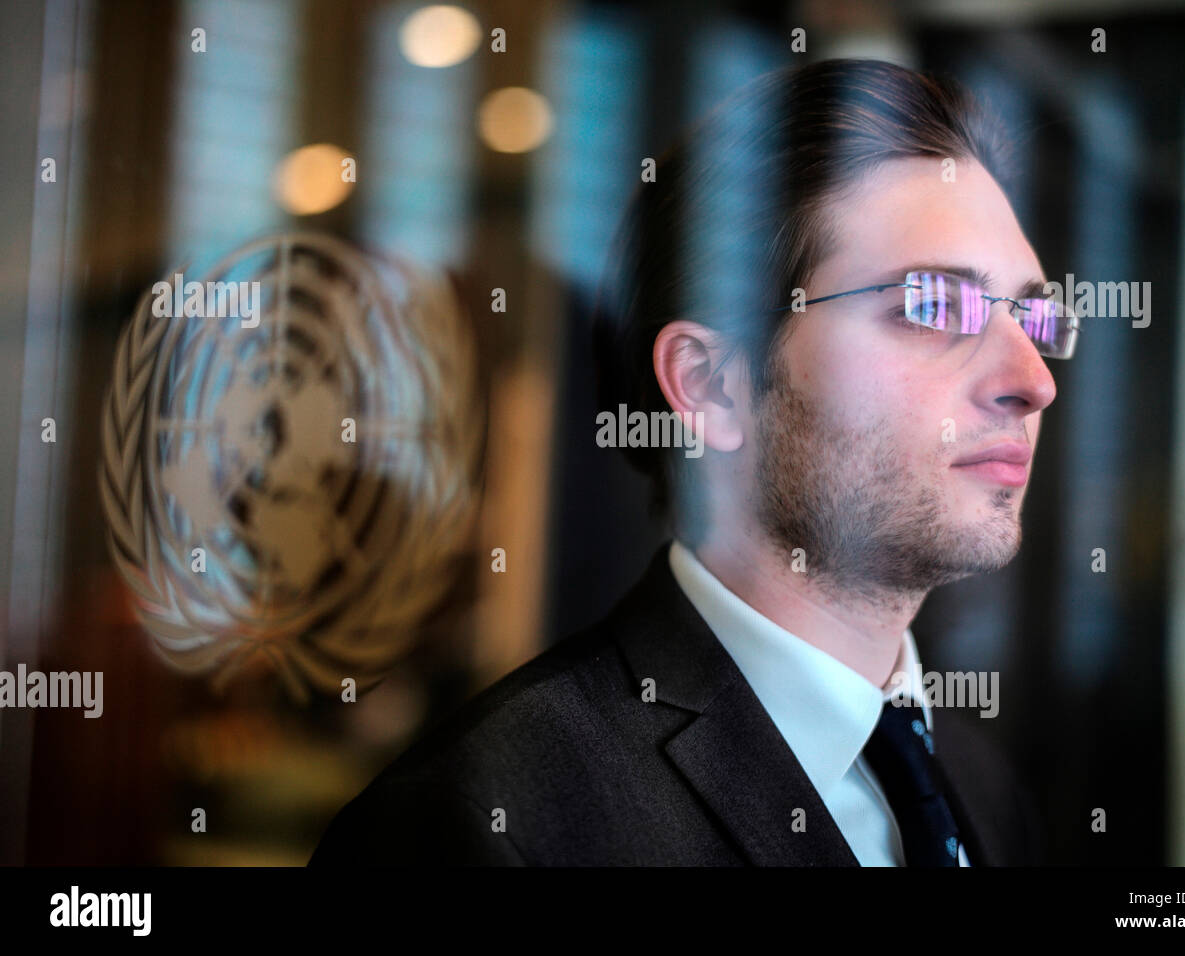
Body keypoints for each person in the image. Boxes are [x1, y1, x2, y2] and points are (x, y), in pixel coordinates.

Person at [311, 57, 1070, 867]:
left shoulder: (980, 787)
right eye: (934, 305)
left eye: (1032, 316)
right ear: (711, 387)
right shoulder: (480, 827)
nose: (1034, 382)